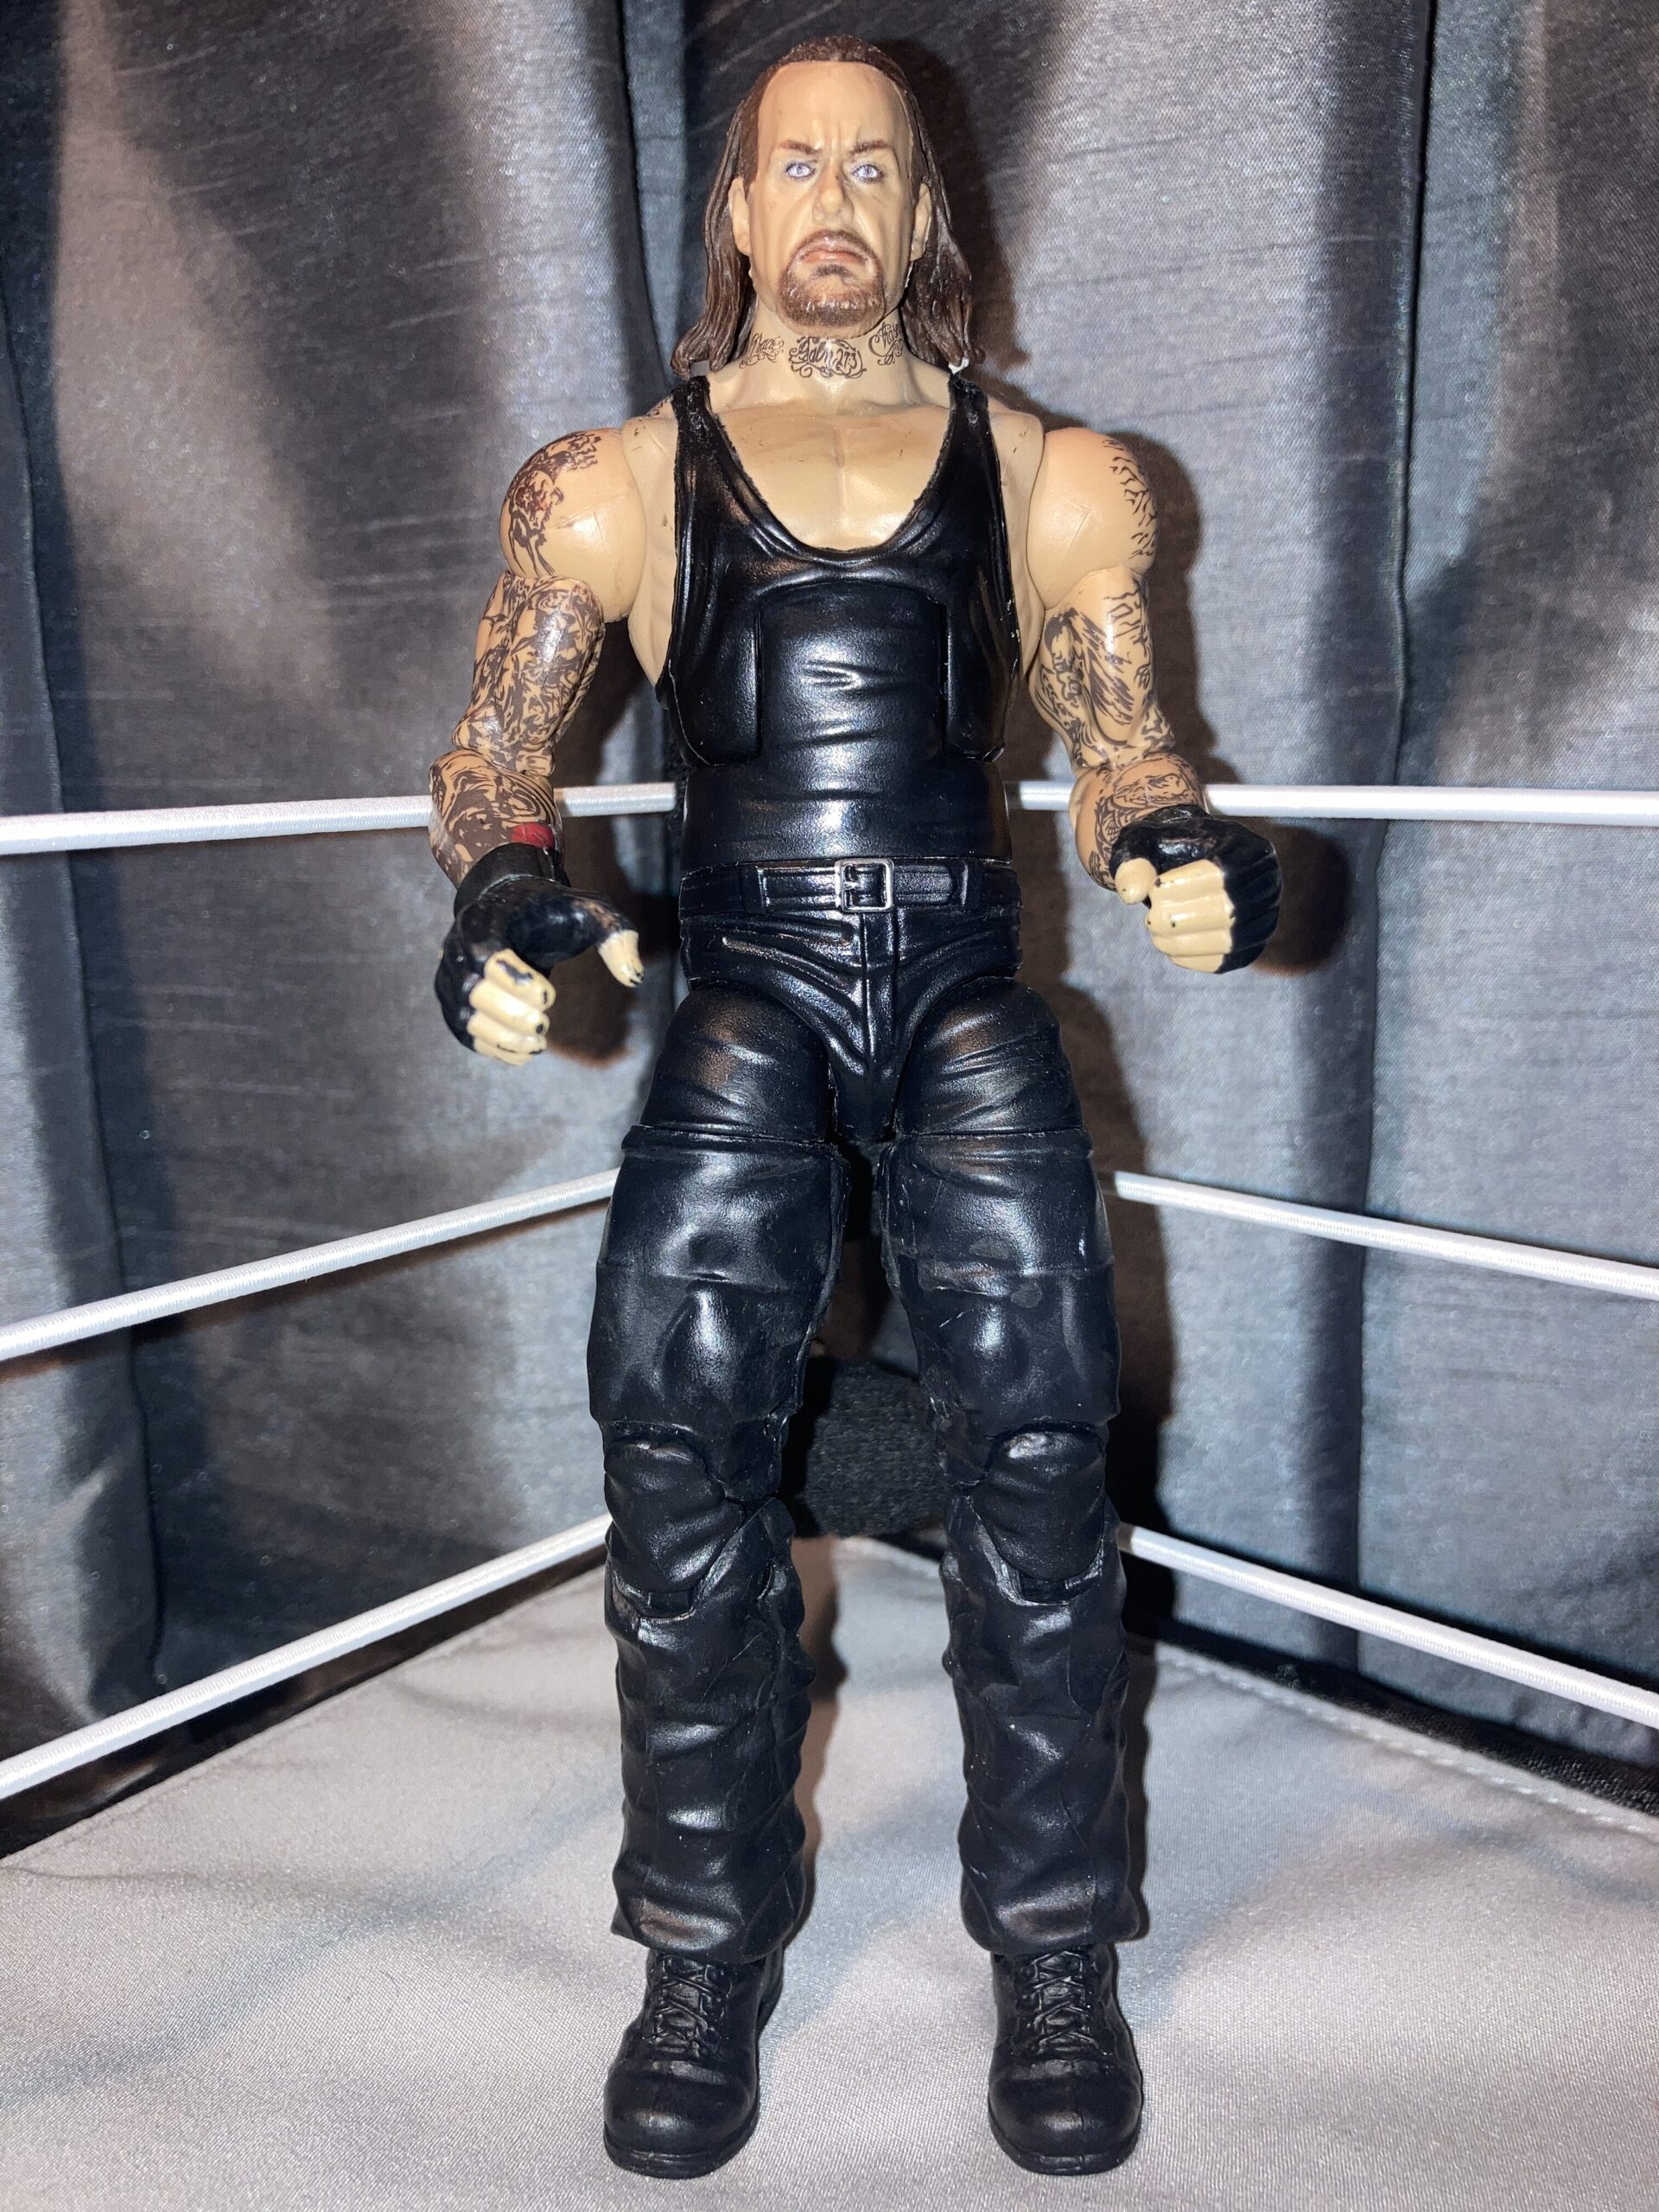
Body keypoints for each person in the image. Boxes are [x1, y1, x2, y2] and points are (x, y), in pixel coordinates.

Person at [428, 35, 1279, 2181]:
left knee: (1044, 1447)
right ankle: (704, 1939)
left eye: (872, 167)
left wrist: (1180, 844)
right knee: (671, 1442)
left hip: (964, 983)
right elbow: (491, 753)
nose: (832, 200)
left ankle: (1056, 1945)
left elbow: (1122, 740)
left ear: (924, 209)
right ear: (737, 209)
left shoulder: (1054, 477)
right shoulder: (615, 482)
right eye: (792, 163)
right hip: (748, 988)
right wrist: (508, 890)